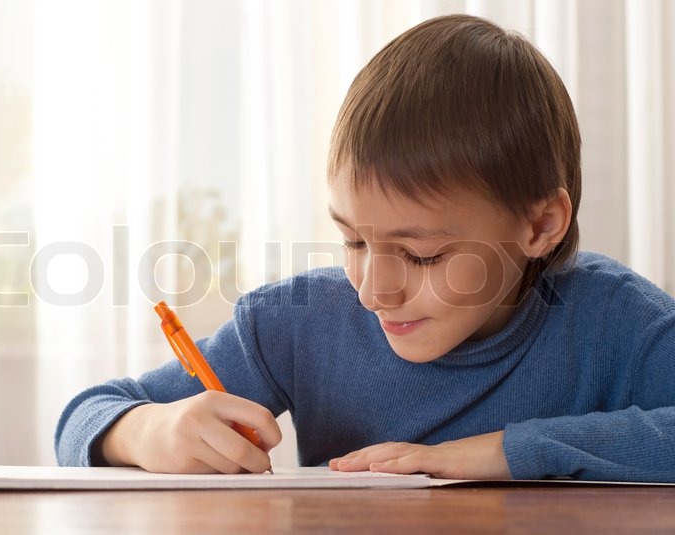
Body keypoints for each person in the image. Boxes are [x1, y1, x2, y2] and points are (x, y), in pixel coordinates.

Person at [54, 14, 675, 481]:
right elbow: (85, 417)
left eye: (422, 255)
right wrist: (146, 431)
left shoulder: (611, 320)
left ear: (540, 227)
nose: (374, 289)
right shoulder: (295, 325)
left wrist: (492, 454)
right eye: (352, 239)